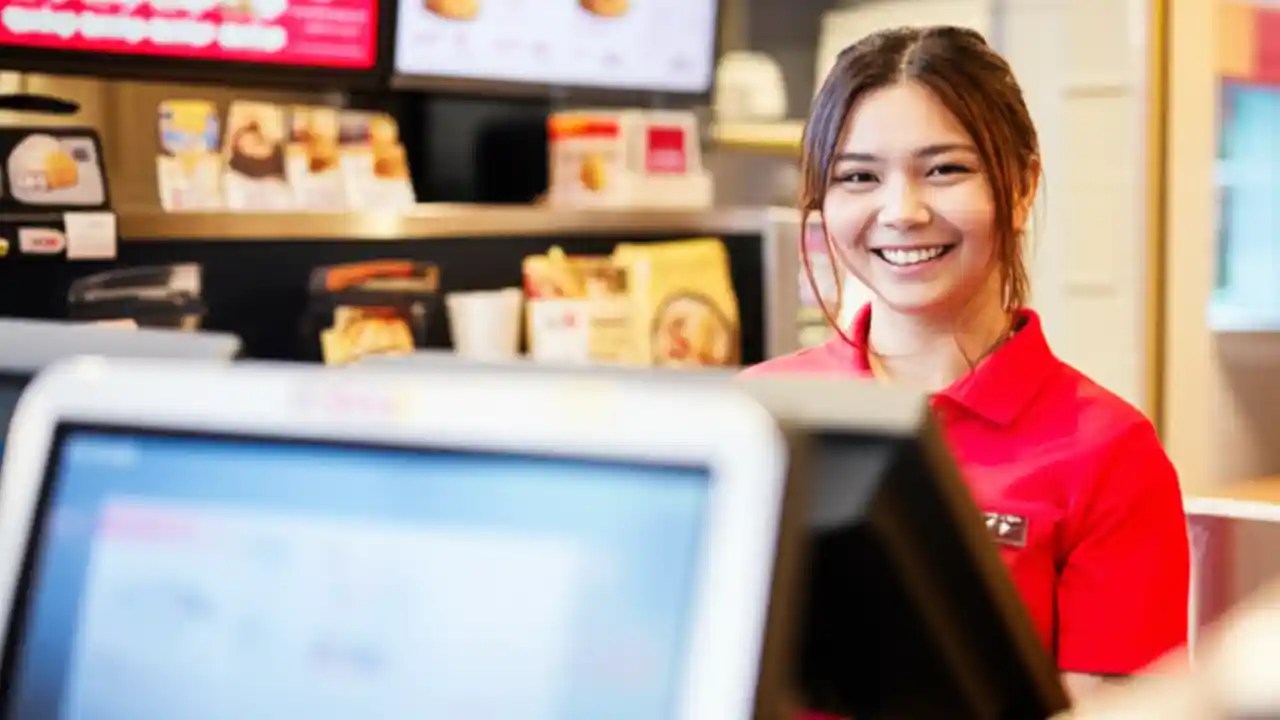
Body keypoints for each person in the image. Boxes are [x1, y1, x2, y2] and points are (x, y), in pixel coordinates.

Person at [743, 26, 1190, 700]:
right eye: (859, 177)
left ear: (1020, 186)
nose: (902, 211)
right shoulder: (757, 414)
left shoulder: (1110, 452)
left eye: (945, 170)